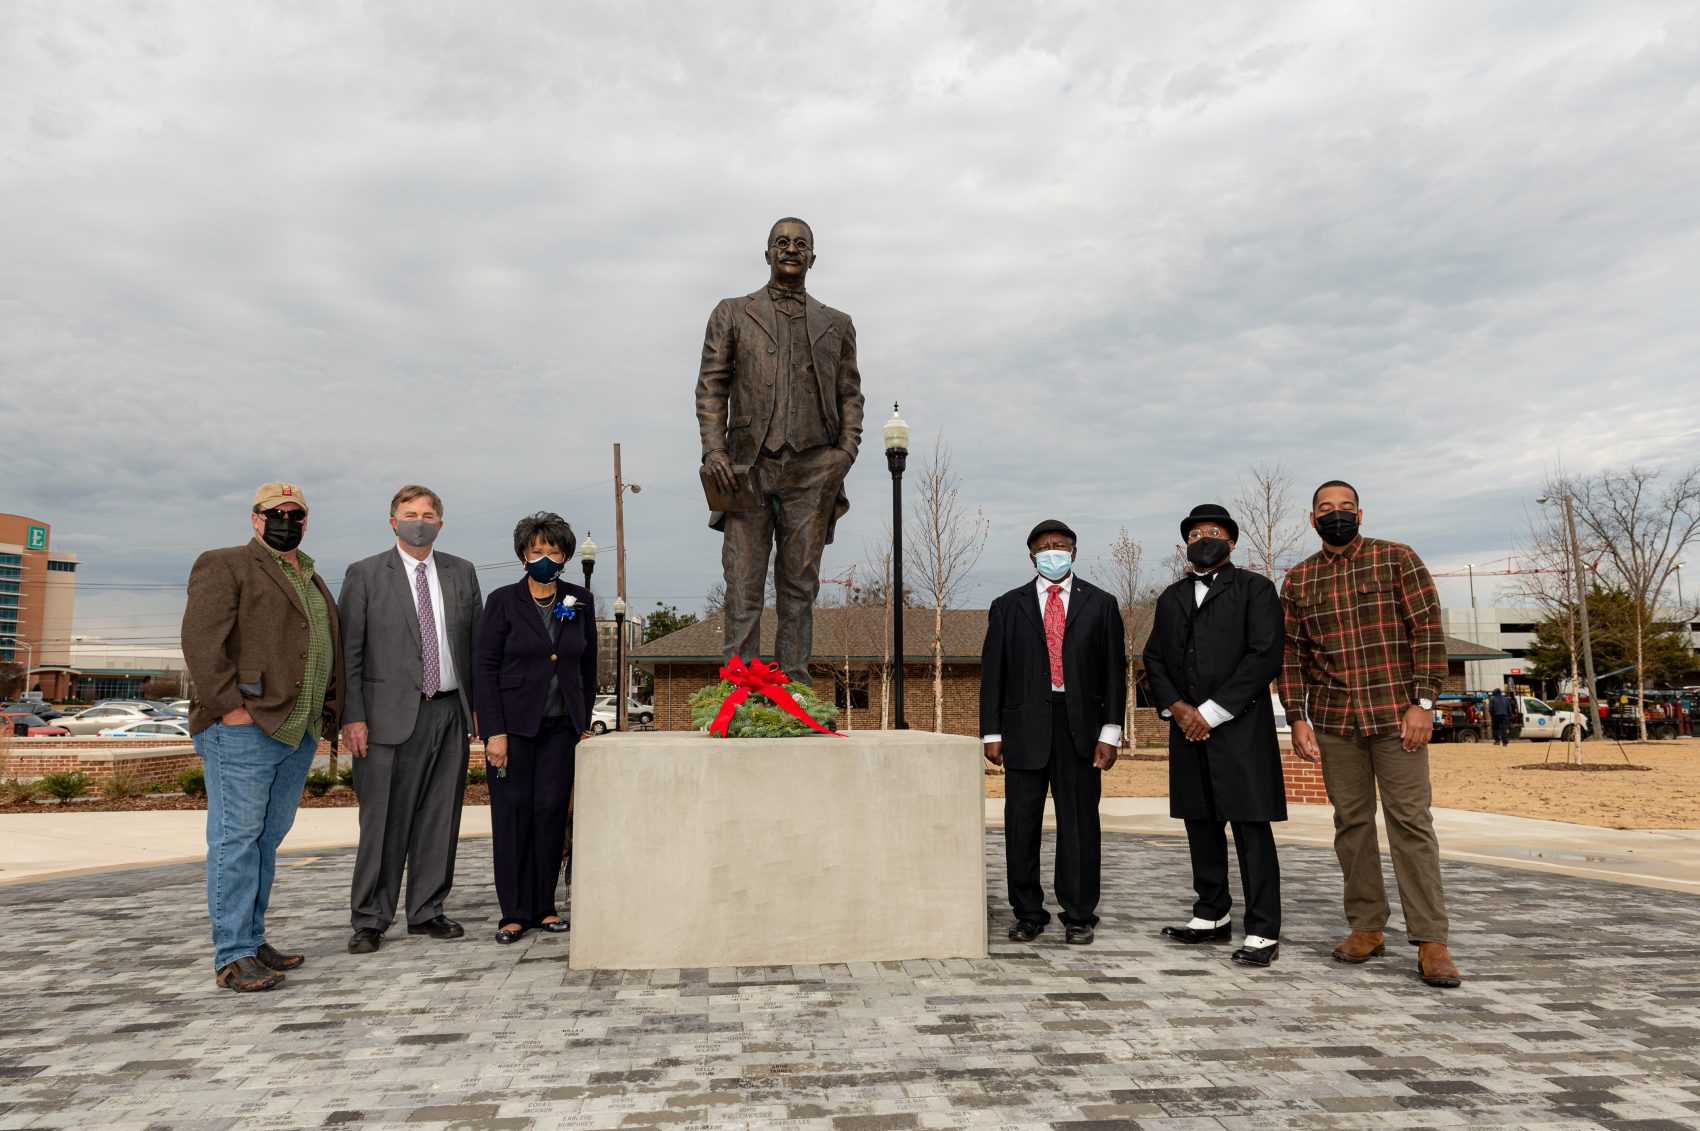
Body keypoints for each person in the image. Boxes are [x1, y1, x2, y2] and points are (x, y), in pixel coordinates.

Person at [1281, 480, 1462, 988]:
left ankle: (1431, 940)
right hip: (1337, 721)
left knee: (1410, 822)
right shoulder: (1297, 581)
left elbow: (1427, 630)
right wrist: (1297, 715)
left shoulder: (1396, 559)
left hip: (1396, 716)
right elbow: (1293, 657)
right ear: (1311, 517)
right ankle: (1366, 927)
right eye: (1325, 508)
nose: (1335, 514)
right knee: (1351, 823)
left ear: (1361, 513)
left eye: (1344, 507)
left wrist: (1424, 702)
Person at [181, 482, 342, 992]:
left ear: (306, 521)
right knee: (235, 842)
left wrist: (330, 713)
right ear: (255, 519)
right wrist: (231, 709)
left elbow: (322, 648)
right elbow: (201, 643)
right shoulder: (224, 563)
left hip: (297, 732)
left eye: (295, 513)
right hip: (245, 730)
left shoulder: (311, 577)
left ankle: (251, 939)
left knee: (265, 842)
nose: (286, 520)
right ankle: (232, 955)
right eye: (276, 512)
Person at [696, 216, 865, 681]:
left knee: (799, 586)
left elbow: (850, 394)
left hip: (814, 469)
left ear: (813, 256)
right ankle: (738, 685)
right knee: (743, 583)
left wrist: (844, 453)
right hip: (746, 467)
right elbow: (712, 386)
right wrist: (715, 452)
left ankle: (795, 684)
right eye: (781, 242)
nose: (791, 249)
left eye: (801, 244)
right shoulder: (732, 312)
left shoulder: (838, 324)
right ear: (767, 252)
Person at [338, 485, 483, 955]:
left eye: (427, 514)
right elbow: (349, 656)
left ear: (440, 523)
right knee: (383, 821)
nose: (418, 520)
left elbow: (477, 649)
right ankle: (370, 919)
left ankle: (427, 910)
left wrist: (479, 710)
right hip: (384, 720)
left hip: (448, 710)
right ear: (393, 520)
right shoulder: (363, 575)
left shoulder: (462, 573)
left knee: (440, 817)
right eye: (409, 513)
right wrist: (352, 717)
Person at [1144, 504, 1286, 967]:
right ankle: (1211, 913)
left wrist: (1211, 711)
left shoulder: (1256, 590)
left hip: (1240, 728)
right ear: (1185, 544)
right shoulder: (1169, 596)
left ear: (1232, 541)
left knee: (1250, 827)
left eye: (1216, 531)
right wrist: (1180, 708)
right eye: (1197, 532)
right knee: (1199, 823)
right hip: (1186, 729)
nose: (1206, 537)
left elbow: (1264, 656)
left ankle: (1262, 928)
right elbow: (1155, 659)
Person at [980, 519, 1126, 945]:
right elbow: (994, 674)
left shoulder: (1101, 604)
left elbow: (1114, 672)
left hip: (1081, 728)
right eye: (1044, 548)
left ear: (1074, 553)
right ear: (1032, 557)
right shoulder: (1008, 606)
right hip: (1024, 728)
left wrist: (1111, 731)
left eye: (1061, 546)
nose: (1053, 552)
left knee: (1079, 825)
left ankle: (1079, 914)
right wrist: (991, 731)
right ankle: (1027, 911)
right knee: (1020, 824)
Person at [474, 512, 596, 944]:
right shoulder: (502, 601)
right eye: (536, 550)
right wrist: (494, 731)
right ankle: (513, 912)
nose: (544, 557)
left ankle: (544, 908)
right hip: (513, 731)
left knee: (548, 815)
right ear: (523, 555)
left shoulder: (578, 599)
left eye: (553, 551)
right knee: (512, 817)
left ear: (564, 556)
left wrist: (584, 721)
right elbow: (484, 669)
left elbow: (586, 664)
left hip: (562, 731)